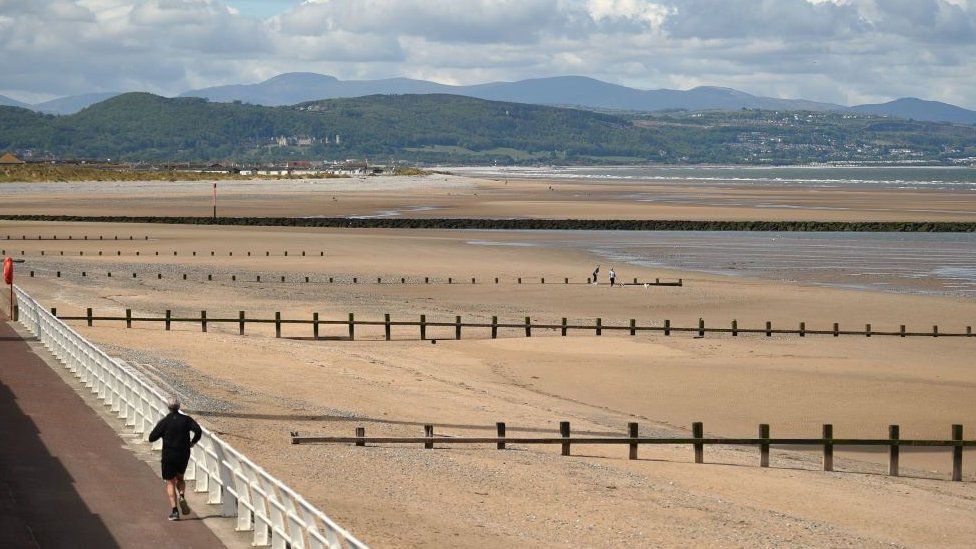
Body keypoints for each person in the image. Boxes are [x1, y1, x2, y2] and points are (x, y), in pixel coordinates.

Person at [149, 396, 202, 521]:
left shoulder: (165, 422)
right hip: (183, 454)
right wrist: (192, 442)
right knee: (180, 478)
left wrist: (163, 434)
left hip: (169, 455)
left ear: (168, 407)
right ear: (179, 407)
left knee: (170, 482)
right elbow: (198, 431)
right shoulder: (186, 420)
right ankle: (182, 495)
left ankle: (175, 511)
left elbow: (152, 437)